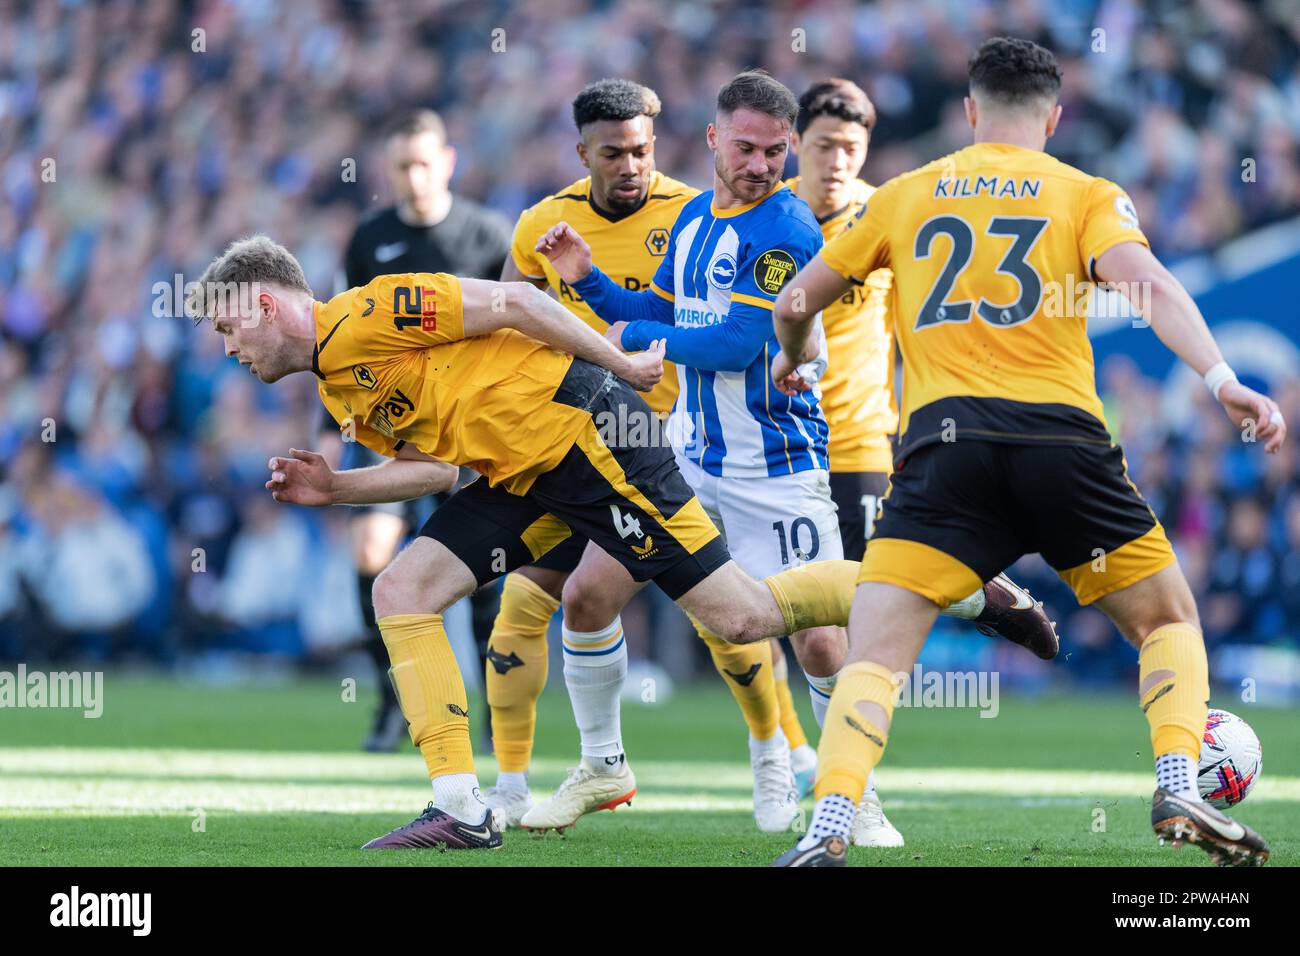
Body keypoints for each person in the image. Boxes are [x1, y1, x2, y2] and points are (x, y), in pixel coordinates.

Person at [767, 37, 1285, 867]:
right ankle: (1180, 778)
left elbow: (796, 299)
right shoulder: (1084, 191)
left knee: (875, 658)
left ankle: (829, 825)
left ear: (970, 111)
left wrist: (798, 352)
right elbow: (1148, 283)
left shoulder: (902, 194)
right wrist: (1220, 376)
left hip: (942, 450)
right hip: (1062, 445)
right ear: (1054, 115)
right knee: (1166, 621)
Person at [190, 234, 863, 851]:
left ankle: (930, 587)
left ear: (265, 305)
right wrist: (336, 488)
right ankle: (461, 808)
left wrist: (623, 367)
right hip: (523, 477)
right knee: (400, 590)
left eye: (227, 328)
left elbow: (514, 301)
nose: (228, 349)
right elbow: (435, 471)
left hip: (587, 434)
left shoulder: (374, 310)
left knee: (741, 615)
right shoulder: (339, 388)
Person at [520, 70, 1057, 841]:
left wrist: (644, 341)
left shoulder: (790, 230)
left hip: (776, 470)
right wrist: (591, 281)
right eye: (746, 148)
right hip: (686, 462)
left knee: (818, 642)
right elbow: (661, 312)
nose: (761, 165)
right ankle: (604, 763)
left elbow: (743, 343)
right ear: (712, 140)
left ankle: (857, 792)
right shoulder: (696, 220)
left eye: (774, 152)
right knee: (586, 596)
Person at [322, 109, 513, 751]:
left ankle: (492, 714)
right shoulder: (368, 239)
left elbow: (512, 328)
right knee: (372, 553)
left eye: (423, 162)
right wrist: (333, 426)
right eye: (401, 165)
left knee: (483, 573)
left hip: (465, 426)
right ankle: (389, 705)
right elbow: (343, 343)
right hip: (386, 423)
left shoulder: (487, 235)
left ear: (448, 160)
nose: (413, 175)